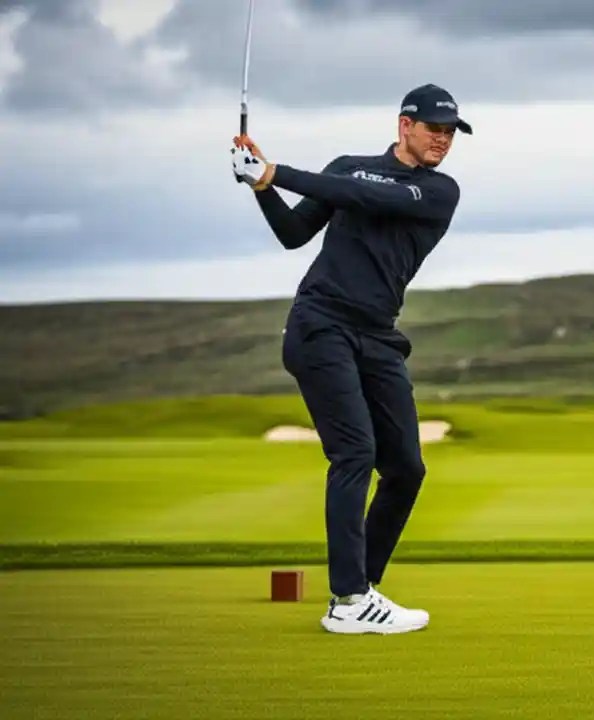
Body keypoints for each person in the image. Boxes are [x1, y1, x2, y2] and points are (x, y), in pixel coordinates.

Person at [230, 83, 472, 635]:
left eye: (451, 132)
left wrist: (275, 173)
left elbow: (371, 199)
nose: (443, 140)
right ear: (404, 124)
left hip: (378, 337)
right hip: (321, 326)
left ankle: (362, 588)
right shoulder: (348, 168)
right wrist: (259, 185)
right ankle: (348, 599)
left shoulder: (438, 192)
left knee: (406, 468)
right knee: (355, 453)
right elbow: (294, 234)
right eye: (434, 128)